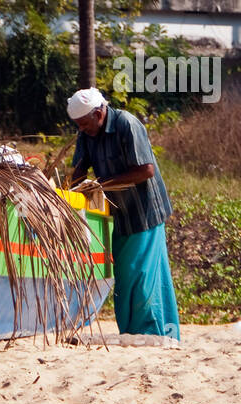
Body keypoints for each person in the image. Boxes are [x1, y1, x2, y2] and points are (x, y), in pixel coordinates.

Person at [68, 87, 180, 340]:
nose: (82, 129)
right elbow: (79, 169)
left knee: (143, 276)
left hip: (145, 212)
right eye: (78, 125)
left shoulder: (127, 124)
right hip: (118, 215)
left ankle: (154, 334)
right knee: (126, 277)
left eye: (84, 123)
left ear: (98, 113)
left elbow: (146, 170)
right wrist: (73, 192)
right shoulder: (86, 133)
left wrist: (102, 184)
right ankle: (131, 334)